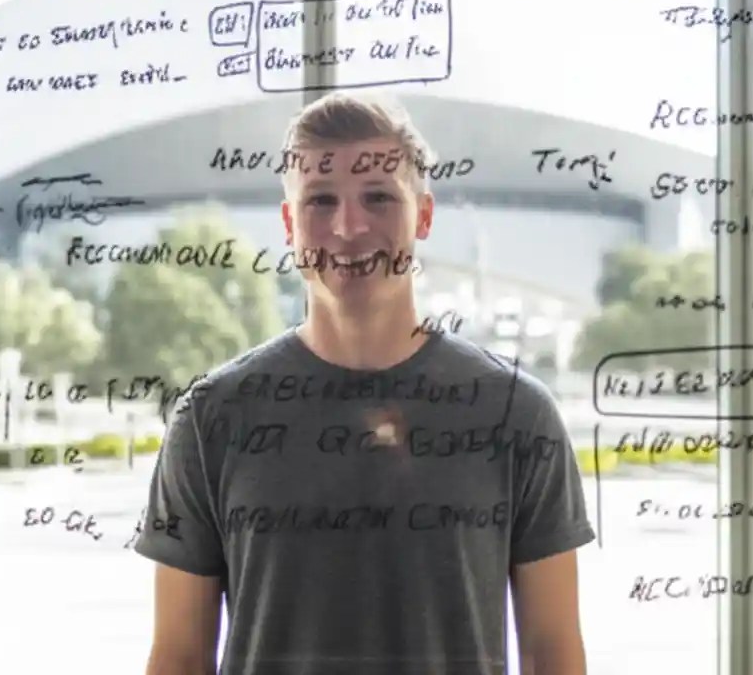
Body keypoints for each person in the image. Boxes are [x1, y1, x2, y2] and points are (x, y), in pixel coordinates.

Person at [135, 91, 594, 674]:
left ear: (423, 215)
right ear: (288, 224)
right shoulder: (210, 418)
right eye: (321, 201)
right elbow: (177, 657)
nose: (349, 226)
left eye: (378, 198)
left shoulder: (517, 415)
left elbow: (553, 654)